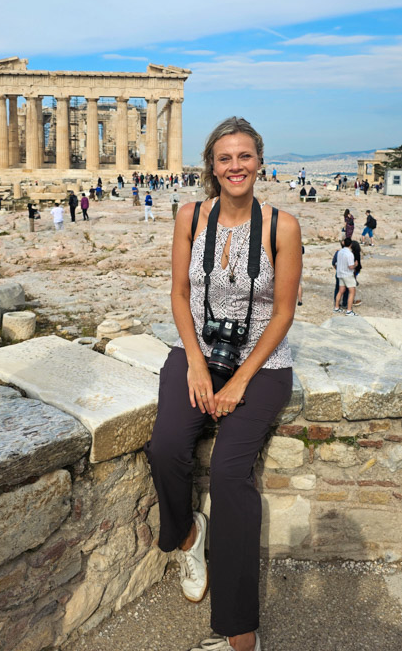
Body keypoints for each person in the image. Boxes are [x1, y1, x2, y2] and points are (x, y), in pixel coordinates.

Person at [145, 117, 301, 651]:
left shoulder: (282, 226)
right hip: (200, 353)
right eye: (225, 158)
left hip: (262, 364)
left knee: (232, 478)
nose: (235, 167)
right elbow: (179, 294)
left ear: (260, 161)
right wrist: (193, 361)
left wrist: (238, 382)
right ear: (211, 166)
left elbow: (283, 315)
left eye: (245, 157)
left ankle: (241, 635)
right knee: (166, 447)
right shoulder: (189, 216)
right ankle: (188, 536)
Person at [333, 237, 357, 315]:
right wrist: (355, 265)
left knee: (340, 291)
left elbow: (336, 263)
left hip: (340, 274)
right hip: (347, 274)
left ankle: (336, 308)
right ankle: (349, 310)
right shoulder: (350, 254)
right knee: (352, 292)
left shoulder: (339, 252)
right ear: (351, 244)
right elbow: (350, 266)